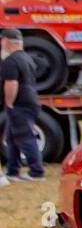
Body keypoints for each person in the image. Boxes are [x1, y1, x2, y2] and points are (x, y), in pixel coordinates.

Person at [2, 28, 45, 183]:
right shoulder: (27, 58)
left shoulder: (11, 61)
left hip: (20, 104)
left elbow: (11, 83)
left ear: (6, 41)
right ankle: (12, 171)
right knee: (12, 138)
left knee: (25, 137)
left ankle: (36, 172)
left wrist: (9, 102)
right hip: (30, 101)